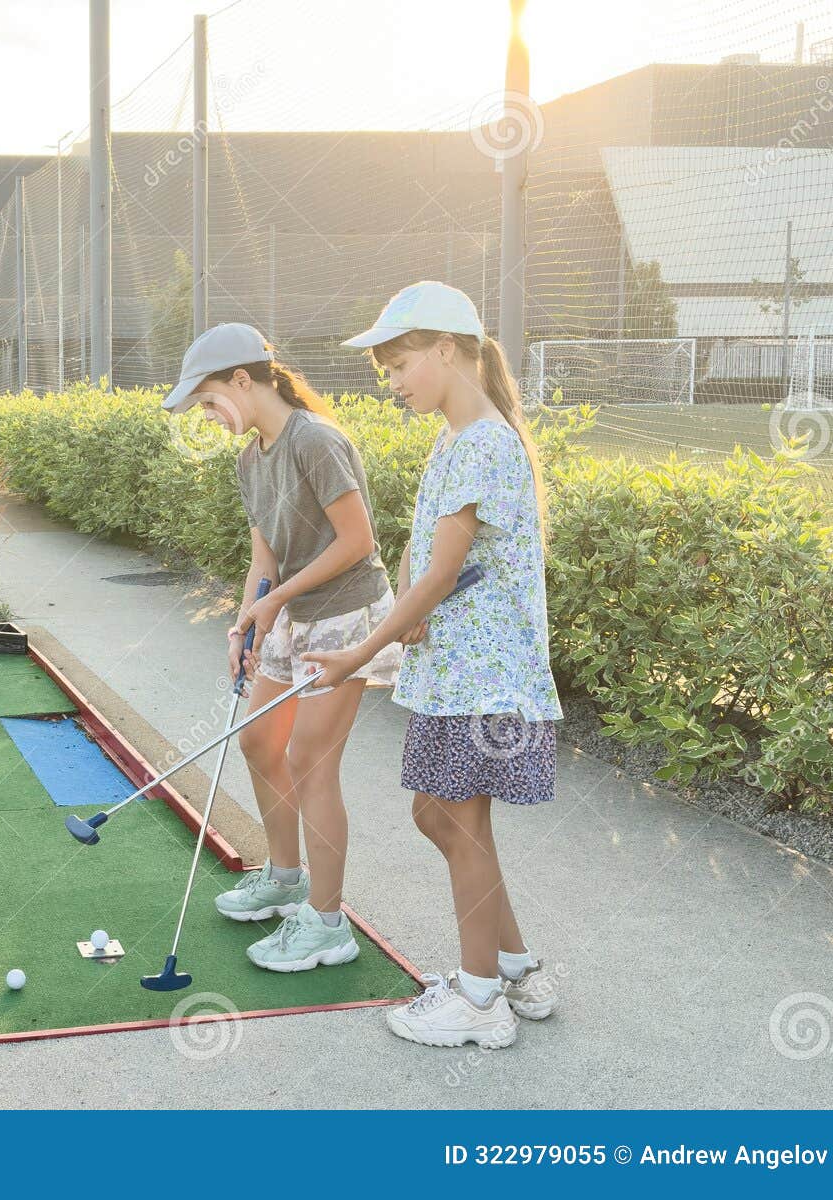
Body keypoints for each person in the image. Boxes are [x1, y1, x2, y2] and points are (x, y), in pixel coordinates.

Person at [303, 281, 561, 1048]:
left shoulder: (482, 440)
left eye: (401, 363)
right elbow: (427, 552)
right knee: (441, 815)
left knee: (456, 819)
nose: (393, 382)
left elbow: (444, 573)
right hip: (460, 672)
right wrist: (404, 610)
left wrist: (359, 653)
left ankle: (480, 1003)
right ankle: (517, 970)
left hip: (484, 677)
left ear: (447, 351)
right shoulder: (458, 439)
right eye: (386, 370)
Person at [160, 323, 402, 972]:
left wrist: (275, 600)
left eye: (210, 402)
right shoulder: (250, 459)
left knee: (309, 760)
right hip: (291, 614)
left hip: (344, 616)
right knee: (258, 742)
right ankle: (286, 877)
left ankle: (328, 923)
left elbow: (357, 542)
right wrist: (246, 621)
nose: (208, 417)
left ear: (245, 380)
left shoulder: (316, 441)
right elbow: (263, 556)